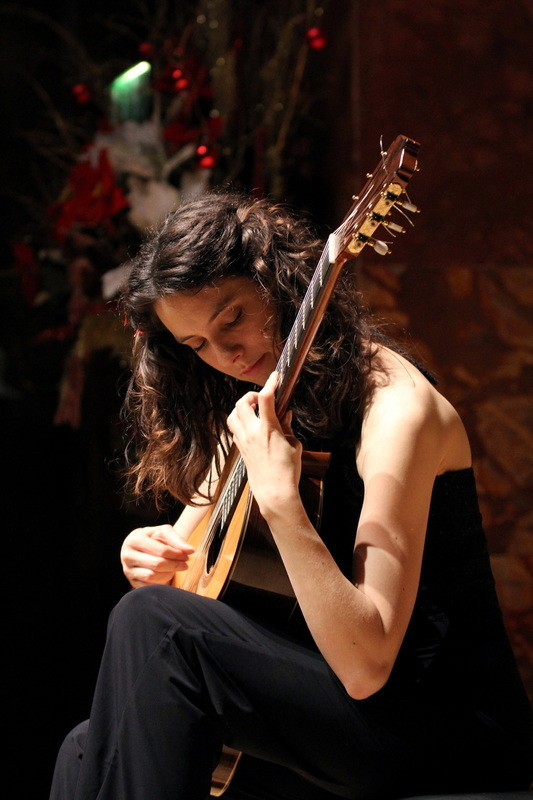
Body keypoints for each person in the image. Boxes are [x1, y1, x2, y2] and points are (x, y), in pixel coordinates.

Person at [50, 191, 532, 800]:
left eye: (231, 318)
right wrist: (148, 552)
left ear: (283, 284)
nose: (228, 355)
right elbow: (190, 552)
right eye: (197, 344)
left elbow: (369, 663)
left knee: (155, 627)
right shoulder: (276, 401)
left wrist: (282, 503)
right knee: (83, 748)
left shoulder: (398, 412)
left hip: (439, 731)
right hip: (338, 722)